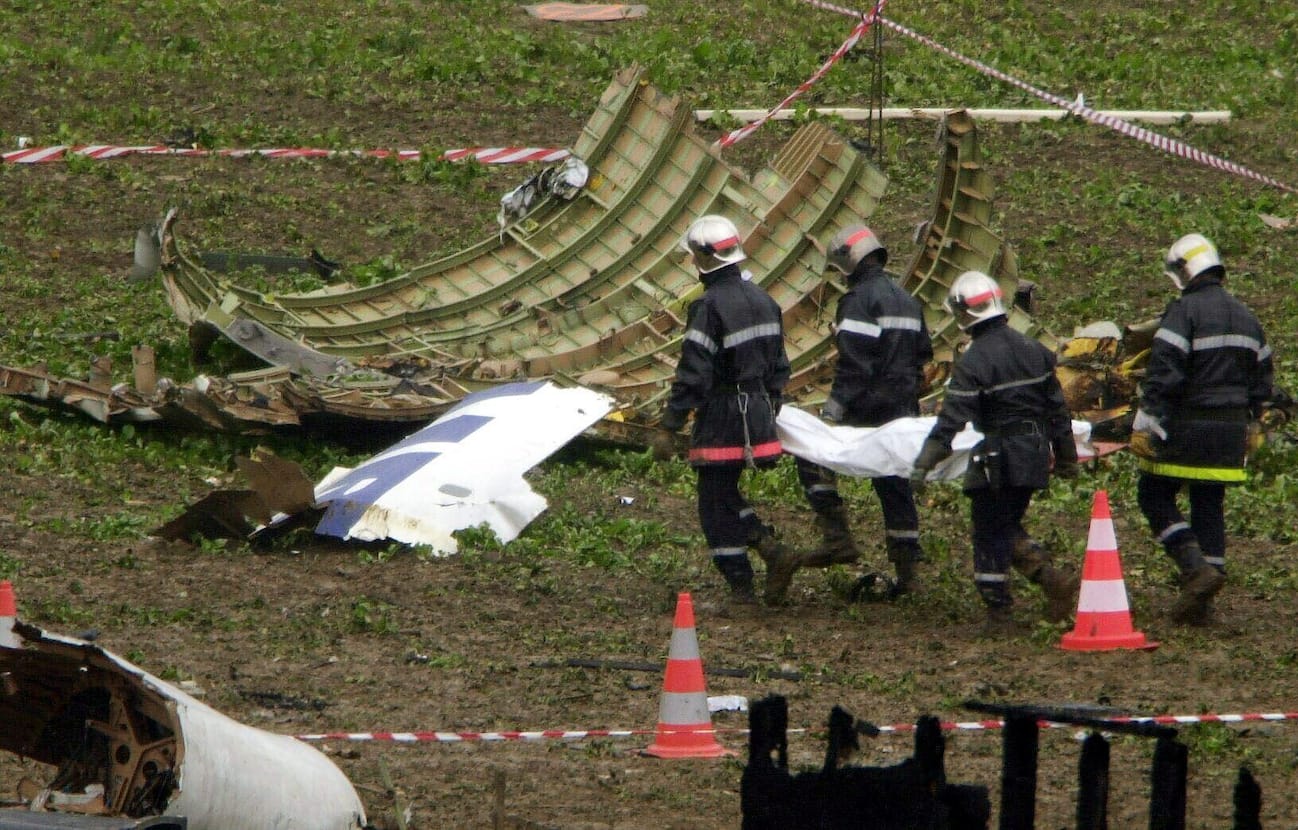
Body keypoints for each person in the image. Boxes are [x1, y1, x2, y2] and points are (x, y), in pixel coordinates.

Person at [909, 270, 1080, 634]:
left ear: (964, 314)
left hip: (1000, 459)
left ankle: (1001, 611)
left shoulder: (975, 361)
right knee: (1005, 524)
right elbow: (1058, 411)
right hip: (1034, 456)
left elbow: (951, 421)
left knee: (989, 532)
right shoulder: (1035, 351)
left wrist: (924, 463)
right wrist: (1066, 457)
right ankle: (1050, 579)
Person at [784, 225, 933, 602]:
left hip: (867, 405)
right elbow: (923, 356)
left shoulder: (857, 302)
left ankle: (837, 538)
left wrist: (833, 412)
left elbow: (854, 366)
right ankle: (908, 572)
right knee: (894, 481)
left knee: (811, 455)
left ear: (846, 263)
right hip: (902, 407)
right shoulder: (907, 299)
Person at [1131, 233, 1273, 624]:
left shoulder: (1184, 312)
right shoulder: (1247, 317)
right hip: (1230, 434)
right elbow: (1263, 380)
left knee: (1153, 495)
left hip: (1187, 428)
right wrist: (1255, 421)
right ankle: (1203, 602)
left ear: (1183, 272)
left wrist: (1147, 419)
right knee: (1209, 504)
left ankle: (1195, 567)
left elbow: (1165, 372)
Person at [659, 215, 796, 605]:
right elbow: (780, 367)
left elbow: (695, 372)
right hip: (759, 412)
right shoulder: (765, 300)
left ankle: (743, 585)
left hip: (723, 415)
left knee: (713, 504)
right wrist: (769, 407)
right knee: (722, 493)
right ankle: (768, 548)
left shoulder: (707, 307)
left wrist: (670, 423)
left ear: (704, 258)